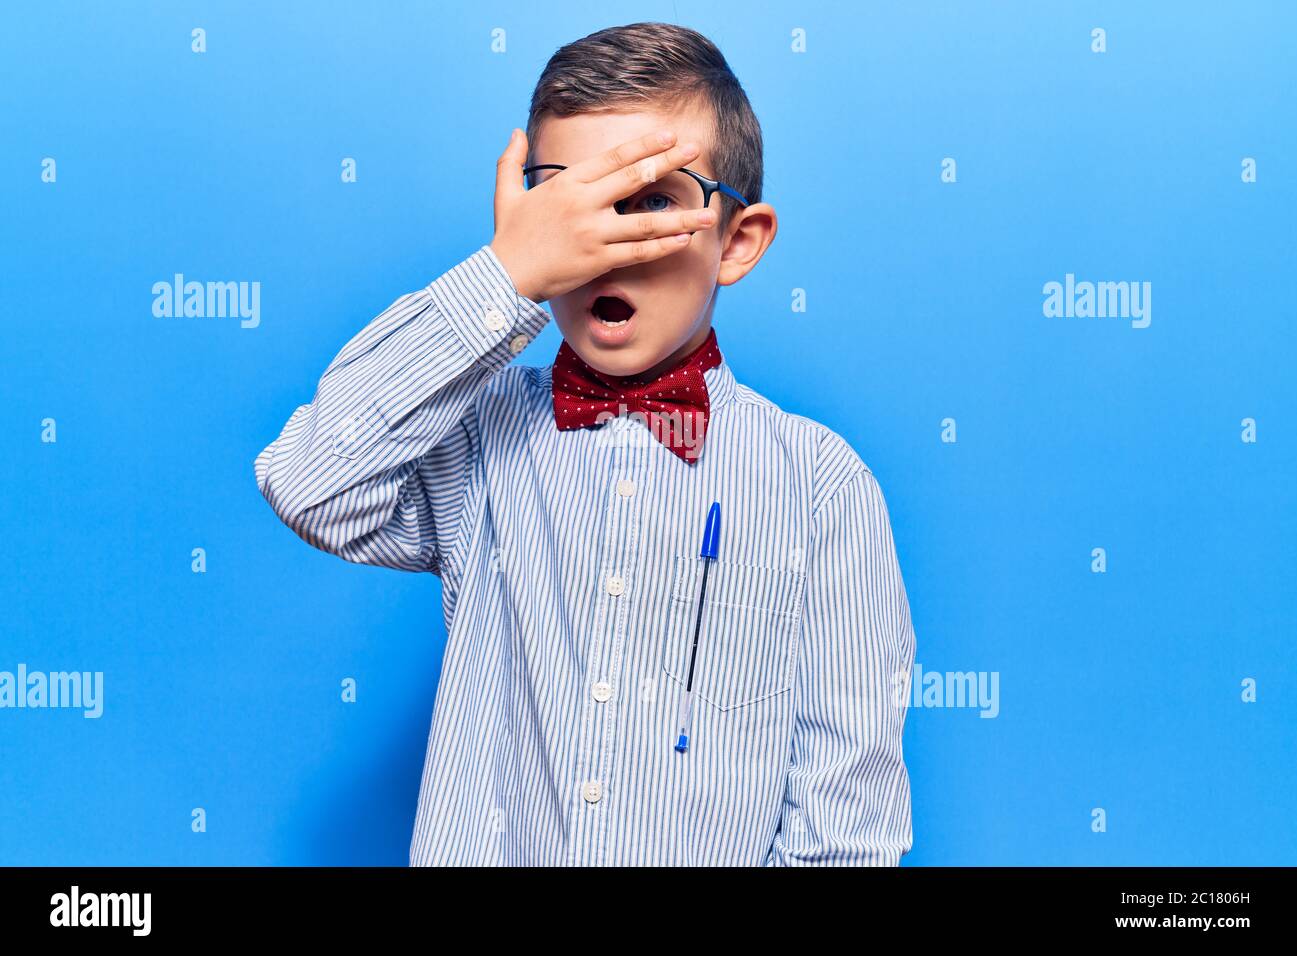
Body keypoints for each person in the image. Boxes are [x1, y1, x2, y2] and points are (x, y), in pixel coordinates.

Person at [253, 21, 916, 866]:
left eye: (651, 201)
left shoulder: (820, 488)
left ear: (737, 242)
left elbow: (845, 822)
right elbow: (311, 481)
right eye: (569, 205)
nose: (604, 246)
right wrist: (506, 274)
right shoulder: (477, 442)